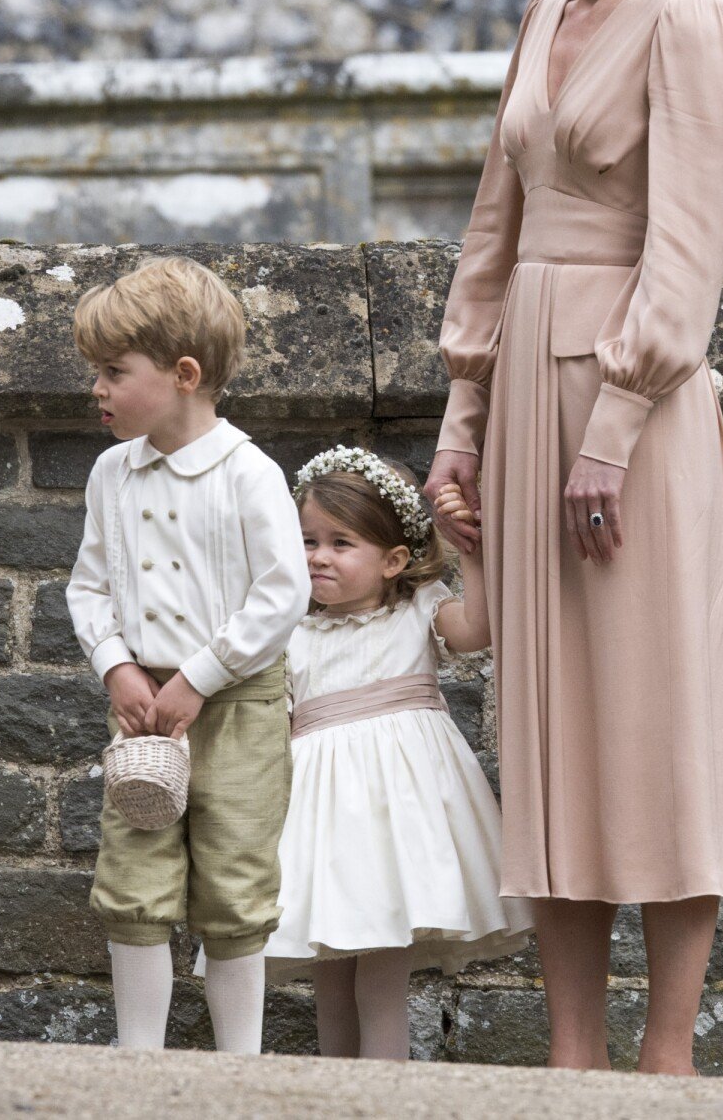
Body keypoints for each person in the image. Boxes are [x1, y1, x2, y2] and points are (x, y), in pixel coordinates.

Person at [423, 0, 723, 1076]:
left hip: (637, 413)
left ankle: (666, 1054)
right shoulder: (542, 19)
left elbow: (685, 253)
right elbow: (491, 236)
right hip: (525, 401)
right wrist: (462, 417)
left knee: (659, 712)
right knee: (550, 724)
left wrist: (612, 430)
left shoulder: (690, 20)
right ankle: (572, 1058)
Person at [192, 446, 530, 1060]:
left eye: (340, 543)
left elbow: (478, 630)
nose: (318, 556)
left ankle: (382, 1094)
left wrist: (472, 554)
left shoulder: (419, 611)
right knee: (331, 976)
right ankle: (338, 1090)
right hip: (322, 820)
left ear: (393, 560)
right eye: (307, 541)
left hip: (400, 818)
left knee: (380, 976)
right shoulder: (287, 631)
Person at [66, 255, 311, 1054]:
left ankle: (238, 1068)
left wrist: (201, 678)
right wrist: (117, 666)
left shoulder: (248, 474)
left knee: (236, 882)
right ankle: (138, 1060)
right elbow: (88, 586)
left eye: (113, 372)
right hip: (141, 709)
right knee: (133, 880)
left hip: (236, 705)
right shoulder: (111, 473)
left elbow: (282, 593)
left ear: (183, 374)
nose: (97, 389)